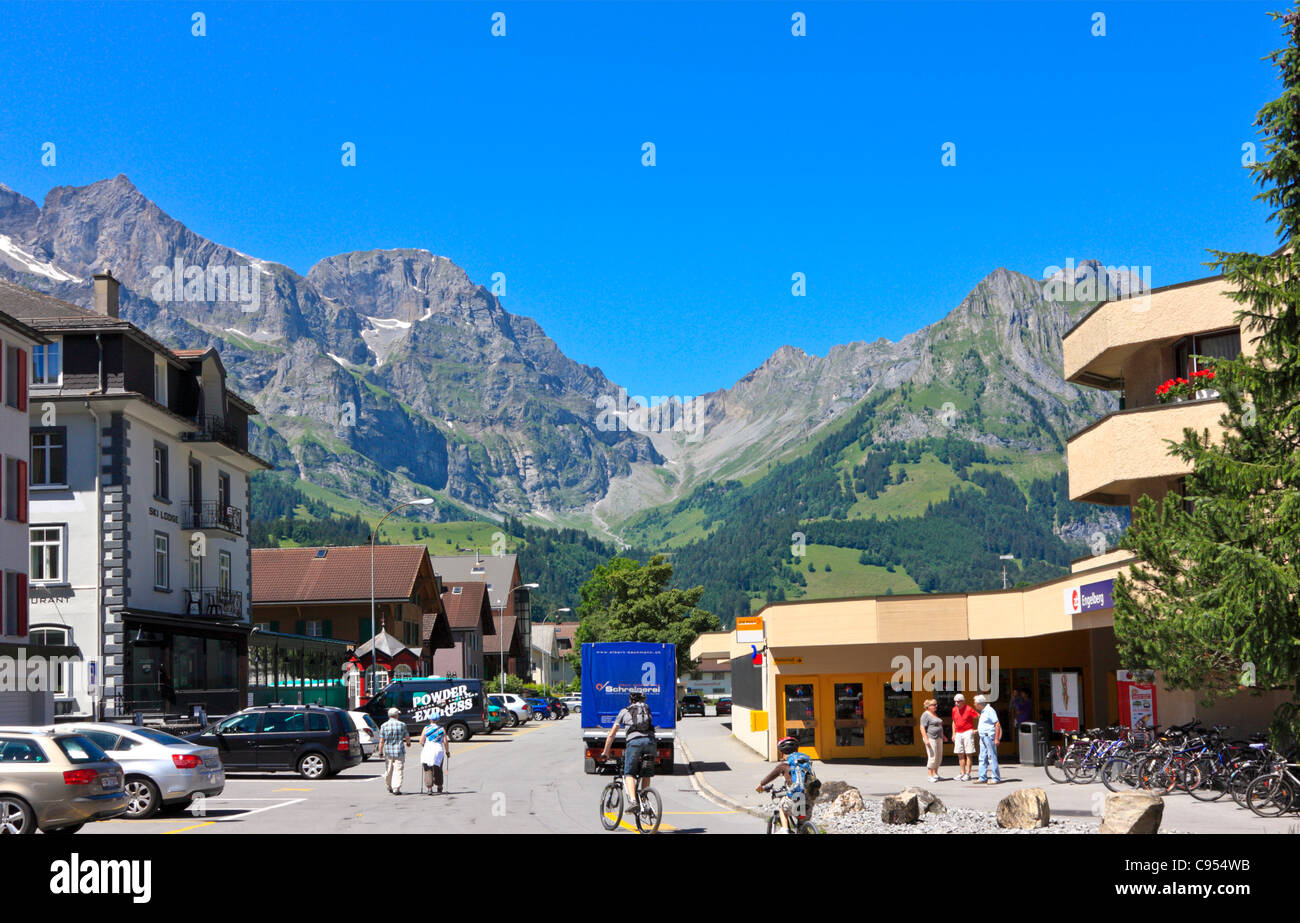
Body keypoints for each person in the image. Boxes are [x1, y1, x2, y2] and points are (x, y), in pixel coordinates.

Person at [600, 691, 656, 809]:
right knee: (646, 772)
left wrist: (605, 752)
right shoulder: (647, 709)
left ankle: (633, 802)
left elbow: (611, 735)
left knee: (629, 773)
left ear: (630, 700)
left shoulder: (624, 711)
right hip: (651, 741)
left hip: (634, 742)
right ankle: (644, 802)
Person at [755, 736, 809, 832]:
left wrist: (761, 785)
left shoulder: (783, 766)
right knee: (801, 822)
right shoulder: (803, 763)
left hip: (793, 798)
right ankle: (803, 827)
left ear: (783, 752)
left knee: (782, 807)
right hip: (806, 797)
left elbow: (771, 776)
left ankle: (785, 829)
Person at [378, 707, 410, 795]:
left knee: (389, 769)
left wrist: (380, 751)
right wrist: (408, 743)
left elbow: (381, 740)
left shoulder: (384, 725)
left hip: (388, 751)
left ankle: (389, 786)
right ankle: (396, 788)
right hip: (399, 750)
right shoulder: (402, 724)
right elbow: (406, 736)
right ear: (396, 715)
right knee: (398, 769)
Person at [951, 693, 979, 781]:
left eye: (958, 702)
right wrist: (953, 733)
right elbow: (954, 722)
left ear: (963, 701)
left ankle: (968, 773)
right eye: (955, 701)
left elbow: (980, 717)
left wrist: (977, 730)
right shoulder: (954, 709)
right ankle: (962, 773)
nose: (956, 703)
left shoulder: (969, 709)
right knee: (960, 754)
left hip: (967, 732)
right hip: (958, 733)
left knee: (968, 753)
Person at [975, 693, 1002, 784]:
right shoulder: (983, 712)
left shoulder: (989, 710)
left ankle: (996, 778)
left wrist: (996, 738)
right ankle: (982, 777)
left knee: (991, 757)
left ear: (979, 704)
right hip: (982, 736)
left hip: (988, 736)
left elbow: (996, 724)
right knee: (982, 757)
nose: (974, 704)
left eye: (975, 703)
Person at [919, 699, 947, 781]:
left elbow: (939, 726)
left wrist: (943, 736)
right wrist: (926, 739)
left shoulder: (934, 714)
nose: (936, 706)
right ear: (928, 706)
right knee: (932, 756)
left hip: (939, 738)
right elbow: (922, 727)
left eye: (936, 704)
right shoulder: (925, 715)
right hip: (931, 738)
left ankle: (935, 774)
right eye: (934, 705)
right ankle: (930, 775)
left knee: (939, 757)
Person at [420, 720, 449, 795]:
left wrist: (424, 746)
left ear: (430, 720)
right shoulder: (441, 729)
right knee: (438, 768)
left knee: (428, 769)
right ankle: (439, 786)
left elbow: (421, 741)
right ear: (438, 720)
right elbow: (445, 741)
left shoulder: (426, 728)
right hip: (438, 750)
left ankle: (429, 788)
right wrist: (447, 751)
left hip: (428, 749)